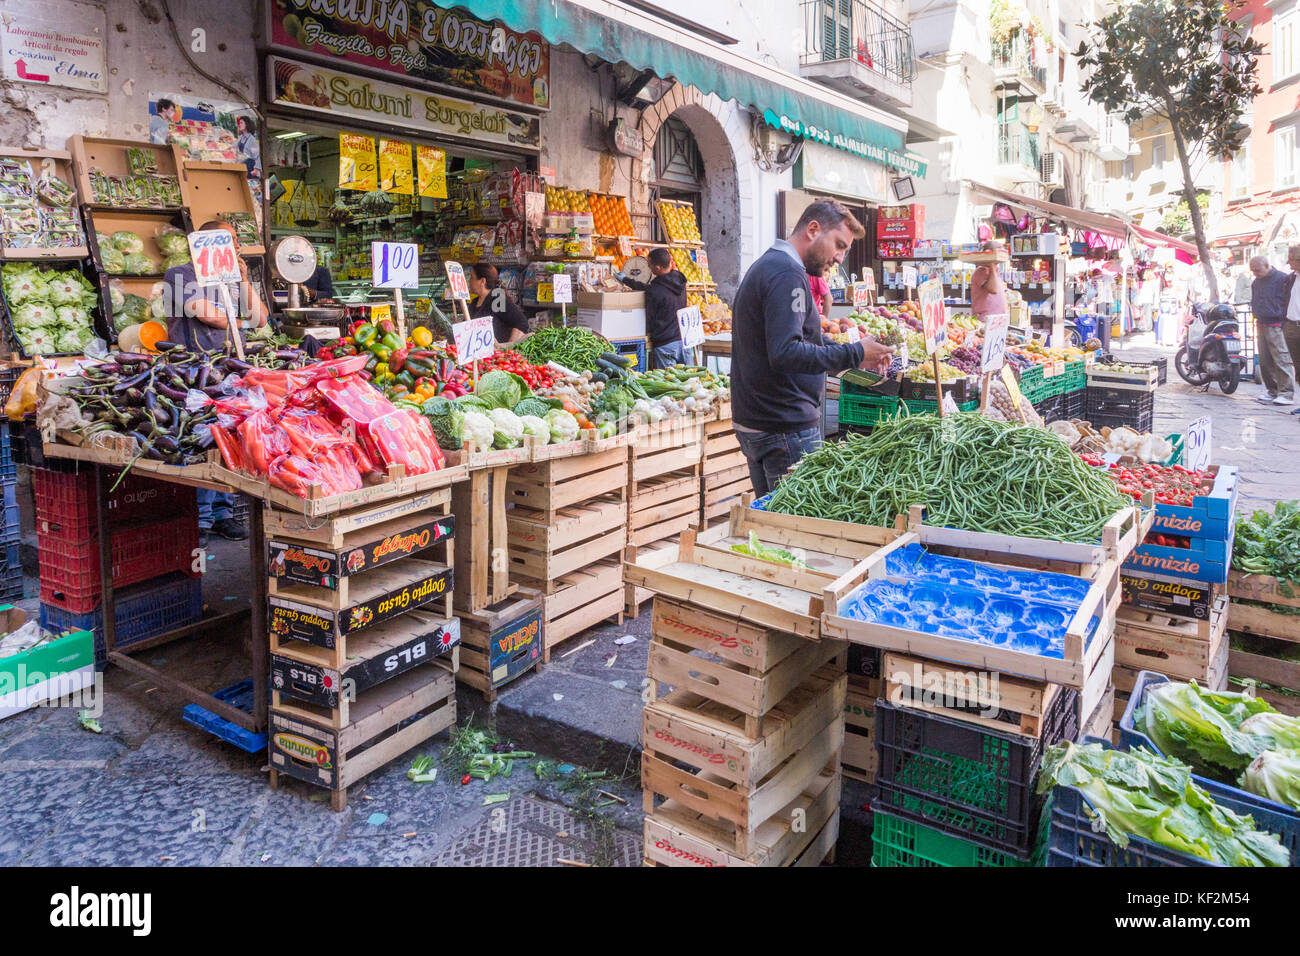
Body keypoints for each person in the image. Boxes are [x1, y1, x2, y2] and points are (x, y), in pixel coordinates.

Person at [730, 199, 894, 497]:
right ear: (813, 229)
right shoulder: (787, 275)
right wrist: (855, 352)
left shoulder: (771, 266)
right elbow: (786, 352)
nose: (840, 258)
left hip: (765, 422)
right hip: (783, 427)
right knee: (794, 529)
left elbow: (800, 341)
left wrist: (858, 357)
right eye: (839, 245)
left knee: (771, 527)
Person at [163, 219, 270, 545]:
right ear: (204, 244)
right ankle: (202, 520)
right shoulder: (178, 275)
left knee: (228, 439)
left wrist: (244, 280)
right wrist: (241, 321)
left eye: (236, 241)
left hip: (230, 371)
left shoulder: (232, 279)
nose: (236, 247)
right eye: (229, 240)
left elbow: (261, 318)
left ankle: (223, 514)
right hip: (193, 373)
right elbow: (207, 314)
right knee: (202, 441)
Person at [617, 248, 688, 369]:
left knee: (668, 383)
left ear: (658, 267)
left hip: (665, 344)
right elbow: (647, 288)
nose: (648, 267)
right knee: (686, 380)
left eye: (649, 264)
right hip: (683, 341)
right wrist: (626, 280)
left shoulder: (656, 290)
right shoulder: (679, 281)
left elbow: (649, 317)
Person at [1248, 254, 1296, 406]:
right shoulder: (1256, 282)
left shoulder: (1283, 279)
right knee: (1265, 359)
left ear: (1267, 266)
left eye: (1257, 270)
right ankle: (1272, 390)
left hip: (1277, 324)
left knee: (1281, 358)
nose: (1255, 273)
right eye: (1253, 271)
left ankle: (1286, 392)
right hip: (1261, 322)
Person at [468, 263, 529, 343]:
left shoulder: (497, 299)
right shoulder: (474, 303)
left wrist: (508, 348)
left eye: (472, 277)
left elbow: (521, 323)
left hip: (498, 353)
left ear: (482, 281)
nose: (469, 281)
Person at [970, 240, 1008, 319]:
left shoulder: (996, 271)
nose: (1003, 250)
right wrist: (991, 264)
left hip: (998, 320)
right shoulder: (981, 271)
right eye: (999, 248)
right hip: (986, 320)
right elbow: (993, 289)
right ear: (989, 252)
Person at [1285, 244, 1300, 415]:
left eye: (1291, 260)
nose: (1289, 264)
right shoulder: (1290, 279)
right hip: (1291, 327)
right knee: (1298, 368)